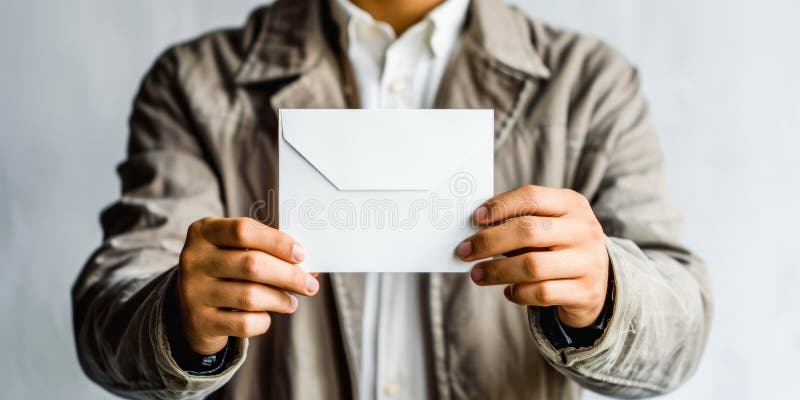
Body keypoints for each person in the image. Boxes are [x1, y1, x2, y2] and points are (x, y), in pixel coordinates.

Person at [72, 0, 712, 398]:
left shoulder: (590, 84)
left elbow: (682, 328)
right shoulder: (194, 83)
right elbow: (109, 309)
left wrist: (605, 291)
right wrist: (180, 317)